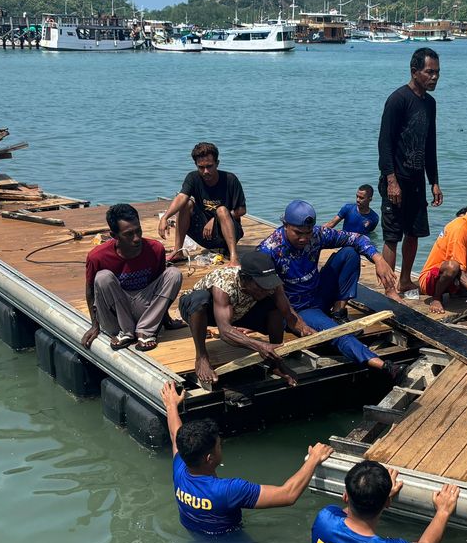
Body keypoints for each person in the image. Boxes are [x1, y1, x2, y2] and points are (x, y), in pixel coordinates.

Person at [162, 381, 334, 536]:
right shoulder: (228, 490)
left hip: (196, 537)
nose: (221, 447)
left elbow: (175, 434)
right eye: (219, 445)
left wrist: (171, 406)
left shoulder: (180, 468)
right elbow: (288, 495)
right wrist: (314, 459)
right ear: (209, 458)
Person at [258, 200, 404, 380]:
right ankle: (384, 366)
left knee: (350, 253)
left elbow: (357, 238)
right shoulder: (270, 249)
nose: (304, 238)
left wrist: (379, 259)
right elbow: (254, 284)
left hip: (317, 293)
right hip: (298, 309)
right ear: (285, 225)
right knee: (337, 333)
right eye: (298, 233)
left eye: (308, 233)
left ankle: (338, 311)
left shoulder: (317, 235)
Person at [305, 460, 459, 543]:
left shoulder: (324, 519)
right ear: (387, 503)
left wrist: (379, 495)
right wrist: (443, 512)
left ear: (345, 496)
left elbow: (348, 511)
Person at [177, 249, 314, 388]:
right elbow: (224, 331)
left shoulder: (272, 283)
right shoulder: (224, 284)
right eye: (261, 286)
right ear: (244, 279)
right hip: (200, 312)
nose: (266, 289)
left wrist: (304, 328)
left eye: (268, 285)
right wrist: (259, 346)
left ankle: (275, 361)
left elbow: (288, 313)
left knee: (275, 304)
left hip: (239, 310)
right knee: (200, 299)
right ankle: (201, 357)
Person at [378, 47, 443, 297]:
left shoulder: (430, 104)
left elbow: (430, 144)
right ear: (415, 72)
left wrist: (434, 181)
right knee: (392, 236)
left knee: (414, 233)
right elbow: (384, 142)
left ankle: (405, 280)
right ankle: (390, 287)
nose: (434, 77)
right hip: (397, 180)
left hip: (416, 181)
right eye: (429, 72)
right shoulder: (398, 100)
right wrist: (391, 180)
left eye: (437, 72)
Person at [82, 203, 183, 352]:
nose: (136, 238)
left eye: (138, 231)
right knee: (103, 277)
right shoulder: (97, 256)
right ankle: (126, 332)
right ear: (114, 236)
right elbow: (90, 291)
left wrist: (166, 320)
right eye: (129, 234)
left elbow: (159, 289)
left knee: (174, 273)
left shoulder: (155, 249)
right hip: (115, 315)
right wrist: (94, 326)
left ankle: (145, 331)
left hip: (143, 307)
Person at [158, 142, 247, 265]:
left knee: (221, 210)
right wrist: (165, 217)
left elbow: (241, 210)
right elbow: (182, 197)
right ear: (196, 165)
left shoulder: (230, 179)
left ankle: (233, 257)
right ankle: (178, 251)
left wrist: (216, 219)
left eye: (209, 166)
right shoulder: (193, 178)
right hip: (205, 234)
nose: (205, 171)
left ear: (217, 164)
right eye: (201, 167)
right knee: (186, 204)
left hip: (228, 232)